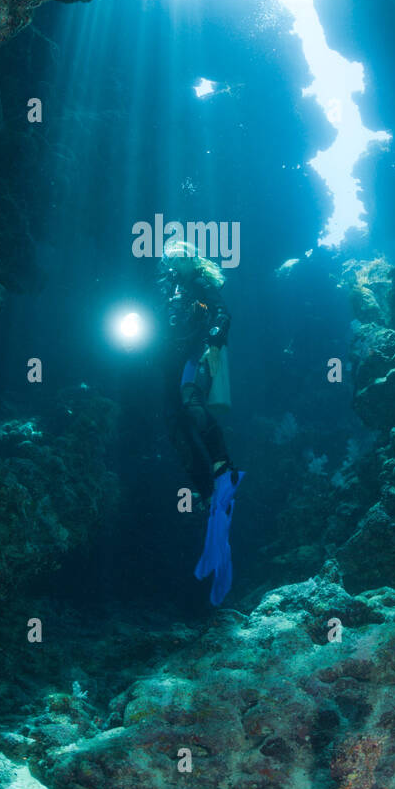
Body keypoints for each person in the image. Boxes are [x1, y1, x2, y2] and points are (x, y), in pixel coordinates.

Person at [158, 240, 243, 604]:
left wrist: (214, 338)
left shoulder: (203, 284)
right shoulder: (165, 287)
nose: (173, 261)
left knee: (192, 405)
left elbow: (224, 313)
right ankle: (207, 491)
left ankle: (224, 465)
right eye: (169, 256)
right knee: (175, 426)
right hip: (169, 355)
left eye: (179, 255)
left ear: (191, 258)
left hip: (197, 353)